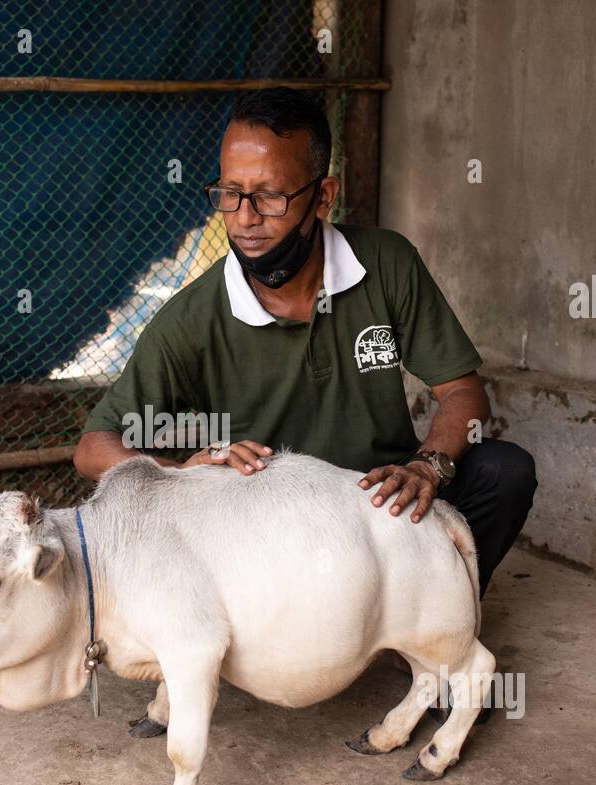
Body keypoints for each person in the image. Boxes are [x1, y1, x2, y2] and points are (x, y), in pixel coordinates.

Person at [74, 87, 536, 599]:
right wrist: (181, 473)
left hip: (379, 504)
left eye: (269, 196)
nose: (245, 218)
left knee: (504, 471)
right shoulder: (191, 319)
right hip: (271, 529)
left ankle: (438, 623)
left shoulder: (387, 264)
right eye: (229, 193)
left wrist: (426, 466)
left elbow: (463, 394)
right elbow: (94, 447)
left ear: (323, 196)